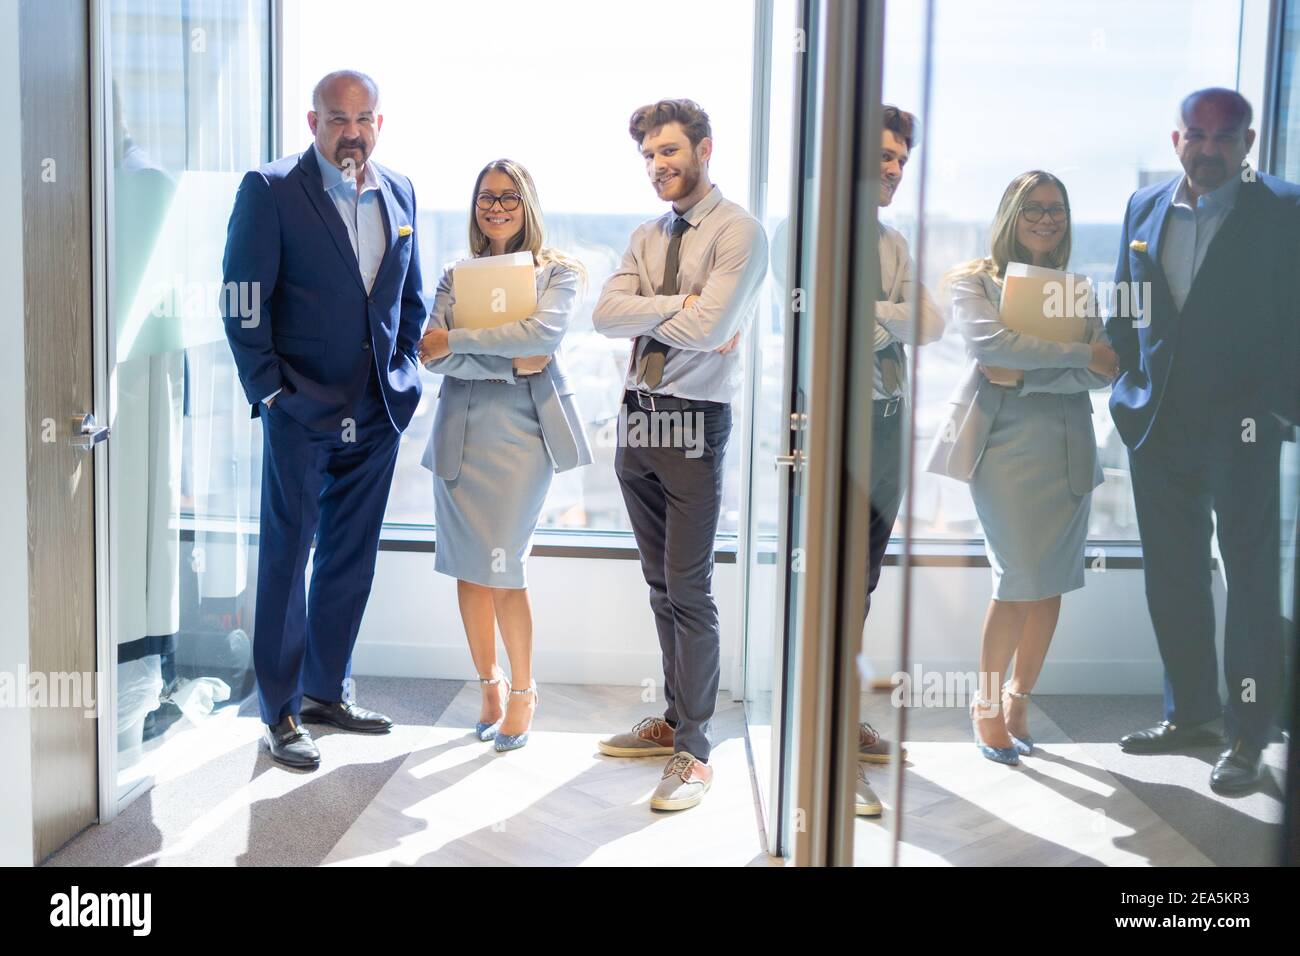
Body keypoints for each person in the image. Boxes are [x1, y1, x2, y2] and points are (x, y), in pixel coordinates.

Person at [221, 70, 426, 769]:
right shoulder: (272, 189)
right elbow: (243, 300)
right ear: (313, 123)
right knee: (288, 555)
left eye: (364, 117)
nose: (352, 130)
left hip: (377, 408)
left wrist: (403, 375)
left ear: (379, 123)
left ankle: (325, 691)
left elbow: (410, 298)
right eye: (338, 117)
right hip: (301, 408)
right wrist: (273, 393)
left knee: (350, 555)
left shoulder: (400, 191)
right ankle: (278, 713)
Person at [1107, 88, 1300, 794]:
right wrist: (1126, 376)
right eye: (1198, 135)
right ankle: (1190, 715)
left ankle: (1249, 736)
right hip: (1158, 427)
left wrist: (1278, 411)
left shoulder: (1285, 210)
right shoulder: (1144, 207)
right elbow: (1128, 303)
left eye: (1226, 137)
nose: (1210, 148)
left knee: (1249, 583)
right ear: (1176, 138)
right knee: (1174, 576)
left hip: (1244, 430)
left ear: (1249, 143)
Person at [592, 99, 767, 811]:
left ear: (704, 149)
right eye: (649, 155)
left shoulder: (740, 232)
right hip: (639, 418)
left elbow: (713, 323)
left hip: (695, 422)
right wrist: (681, 305)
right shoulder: (645, 233)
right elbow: (604, 315)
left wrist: (672, 310)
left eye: (670, 150)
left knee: (689, 589)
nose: (659, 165)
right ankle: (674, 719)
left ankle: (695, 750)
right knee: (660, 586)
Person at [926, 170, 1117, 766]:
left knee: (1051, 584)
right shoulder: (974, 282)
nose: (1045, 218)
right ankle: (985, 706)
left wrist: (1036, 368)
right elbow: (992, 348)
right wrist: (1076, 354)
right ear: (1011, 213)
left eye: (1056, 208)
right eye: (1033, 207)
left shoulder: (1078, 288)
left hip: (1066, 447)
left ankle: (1018, 699)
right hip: (1004, 449)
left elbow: (1104, 370)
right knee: (1016, 581)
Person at [417, 159, 591, 753]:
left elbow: (541, 339)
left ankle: (523, 691)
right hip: (461, 432)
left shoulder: (558, 273)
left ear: (528, 203)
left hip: (522, 435)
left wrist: (463, 342)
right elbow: (430, 354)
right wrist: (505, 356)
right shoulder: (454, 274)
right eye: (486, 197)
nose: (495, 206)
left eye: (508, 196)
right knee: (468, 568)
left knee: (504, 567)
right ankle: (488, 686)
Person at [856, 105, 944, 817]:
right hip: (834, 429)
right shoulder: (815, 234)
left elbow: (932, 325)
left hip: (887, 428)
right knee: (829, 588)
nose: (893, 169)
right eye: (884, 155)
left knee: (860, 587)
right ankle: (823, 735)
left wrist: (879, 311)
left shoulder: (891, 241)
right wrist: (894, 313)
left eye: (901, 161)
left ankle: (837, 719)